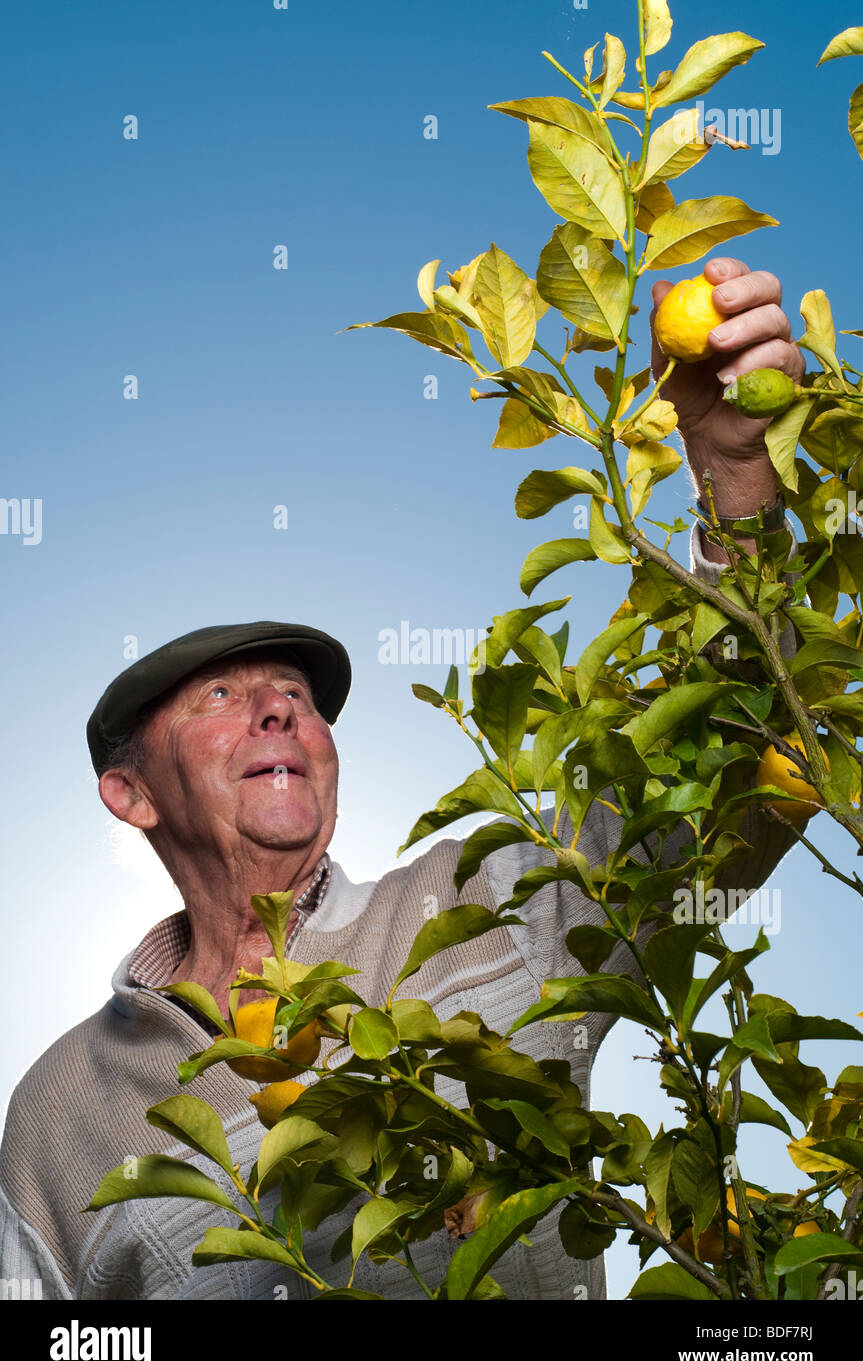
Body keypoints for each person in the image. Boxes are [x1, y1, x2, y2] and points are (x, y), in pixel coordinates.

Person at [0, 259, 805, 1301]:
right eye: (220, 699)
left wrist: (732, 480)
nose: (278, 709)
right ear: (131, 794)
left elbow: (710, 779)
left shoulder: (479, 905)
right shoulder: (60, 1116)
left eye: (292, 692)